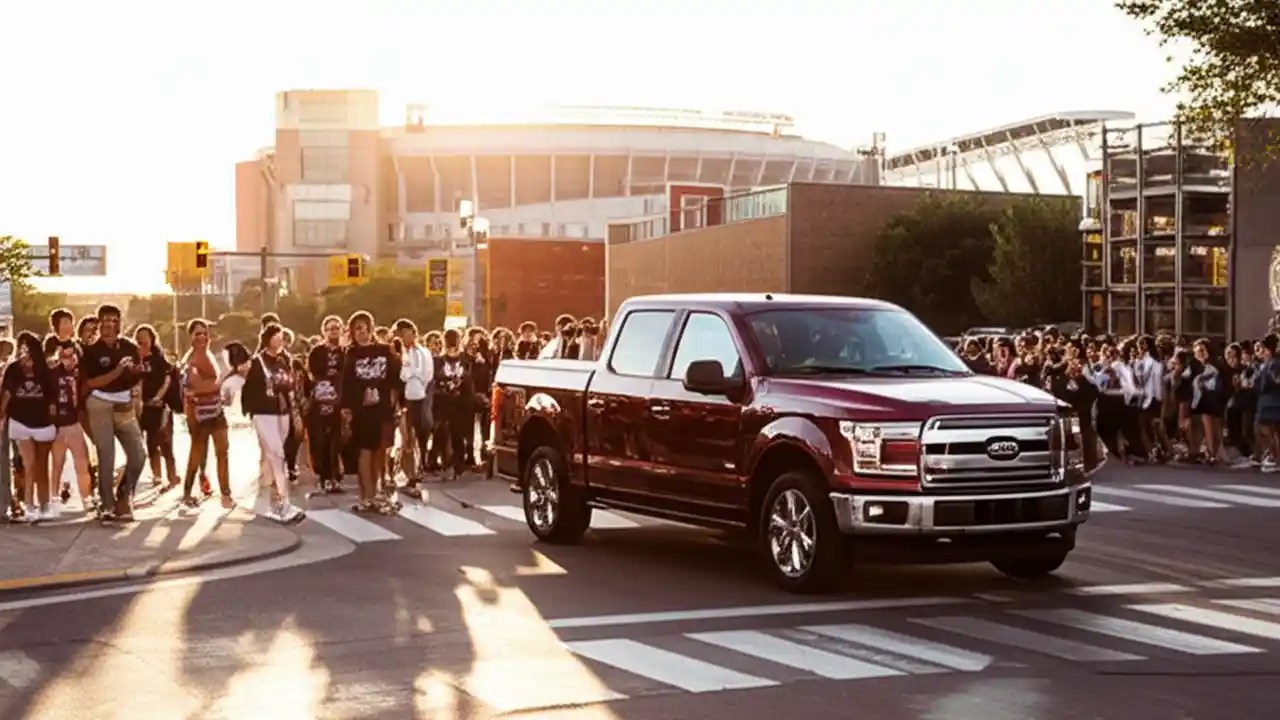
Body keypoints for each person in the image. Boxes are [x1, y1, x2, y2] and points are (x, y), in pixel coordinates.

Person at [80, 304, 146, 522]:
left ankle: (124, 495)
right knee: (106, 455)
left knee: (138, 455)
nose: (110, 324)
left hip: (124, 404)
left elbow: (137, 375)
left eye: (114, 320)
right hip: (99, 403)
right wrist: (117, 370)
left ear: (120, 323)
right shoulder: (91, 350)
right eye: (105, 320)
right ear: (100, 324)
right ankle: (106, 504)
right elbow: (91, 382)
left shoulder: (129, 346)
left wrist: (136, 372)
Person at [241, 323, 304, 523]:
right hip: (264, 413)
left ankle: (270, 501)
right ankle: (283, 504)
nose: (280, 340)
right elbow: (248, 389)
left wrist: (295, 412)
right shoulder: (258, 362)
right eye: (277, 336)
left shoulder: (284, 361)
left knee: (274, 458)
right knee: (277, 454)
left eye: (282, 337)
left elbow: (291, 387)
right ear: (268, 338)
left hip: (282, 412)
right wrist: (251, 411)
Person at [341, 311, 398, 512]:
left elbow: (395, 378)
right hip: (361, 409)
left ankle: (378, 490)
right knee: (364, 451)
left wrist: (394, 402)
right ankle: (366, 495)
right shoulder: (351, 354)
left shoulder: (384, 350)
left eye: (363, 328)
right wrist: (347, 408)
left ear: (371, 329)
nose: (360, 333)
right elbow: (346, 383)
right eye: (356, 329)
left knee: (380, 451)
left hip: (382, 408)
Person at [179, 319, 234, 509]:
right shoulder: (191, 359)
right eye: (197, 334)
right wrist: (217, 385)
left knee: (223, 451)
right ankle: (186, 493)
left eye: (204, 333)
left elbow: (205, 386)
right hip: (199, 414)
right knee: (197, 453)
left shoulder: (209, 355)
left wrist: (217, 389)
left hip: (216, 410)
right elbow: (195, 387)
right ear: (191, 337)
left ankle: (226, 493)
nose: (202, 337)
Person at [1, 332, 57, 521]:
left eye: (28, 347)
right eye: (21, 346)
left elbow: (52, 394)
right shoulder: (13, 369)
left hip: (43, 421)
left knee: (42, 464)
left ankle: (45, 504)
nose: (25, 351)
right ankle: (29, 505)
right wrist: (2, 414)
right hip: (20, 420)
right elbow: (7, 392)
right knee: (29, 463)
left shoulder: (45, 369)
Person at [49, 339, 92, 512]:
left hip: (75, 423)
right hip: (58, 425)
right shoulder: (52, 373)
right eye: (65, 355)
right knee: (57, 464)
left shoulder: (82, 374)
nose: (69, 359)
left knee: (82, 462)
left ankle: (86, 497)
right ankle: (54, 498)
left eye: (72, 355)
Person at [134, 324, 179, 489]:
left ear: (152, 339)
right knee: (150, 444)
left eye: (145, 336)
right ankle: (157, 475)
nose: (142, 340)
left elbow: (168, 378)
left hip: (159, 406)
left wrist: (158, 397)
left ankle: (172, 475)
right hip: (141, 407)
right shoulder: (134, 359)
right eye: (139, 337)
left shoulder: (159, 359)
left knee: (165, 442)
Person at [306, 315, 346, 495]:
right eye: (330, 328)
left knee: (336, 441)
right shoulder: (317, 352)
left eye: (336, 328)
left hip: (340, 401)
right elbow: (314, 374)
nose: (333, 331)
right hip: (320, 400)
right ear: (324, 331)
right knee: (321, 441)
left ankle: (336, 476)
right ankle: (324, 477)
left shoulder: (346, 352)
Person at [396, 318, 433, 498]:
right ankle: (406, 472)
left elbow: (426, 374)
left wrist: (418, 387)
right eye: (402, 334)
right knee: (405, 437)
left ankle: (415, 473)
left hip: (416, 396)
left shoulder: (422, 352)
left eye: (408, 333)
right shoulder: (399, 352)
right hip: (404, 397)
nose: (405, 337)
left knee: (415, 436)